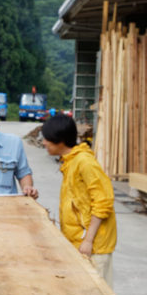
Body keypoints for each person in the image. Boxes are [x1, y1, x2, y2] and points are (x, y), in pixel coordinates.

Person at [39, 113, 116, 285]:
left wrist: (88, 241)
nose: (43, 143)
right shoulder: (70, 162)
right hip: (79, 244)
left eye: (47, 139)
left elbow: (104, 201)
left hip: (93, 247)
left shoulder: (85, 162)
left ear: (60, 140)